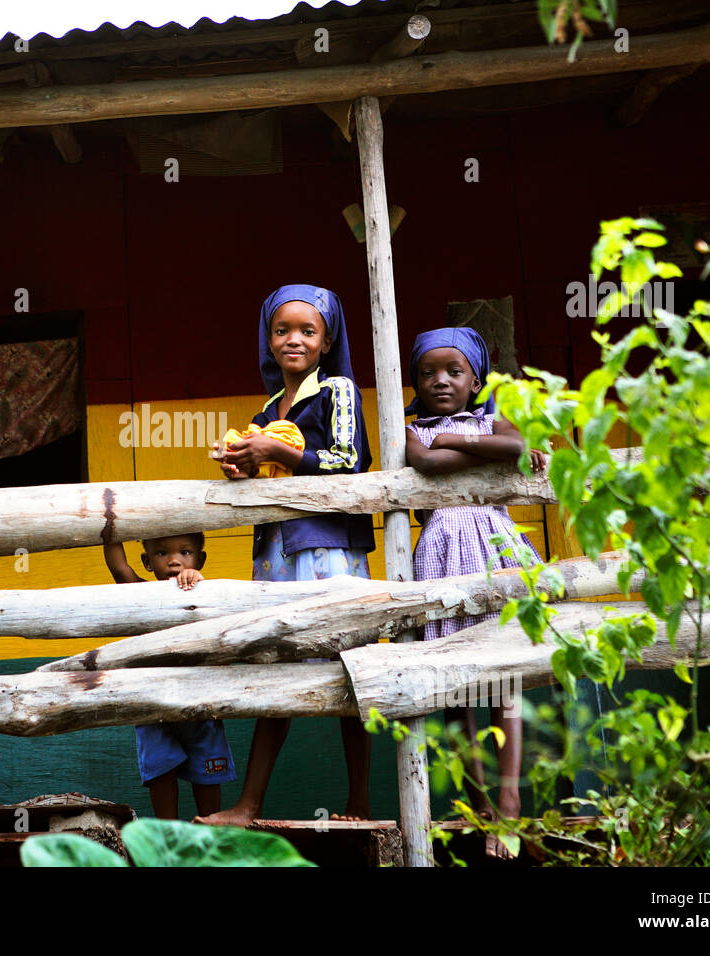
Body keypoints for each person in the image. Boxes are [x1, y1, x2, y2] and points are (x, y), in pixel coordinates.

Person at [197, 283, 375, 827]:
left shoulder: (339, 391)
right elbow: (272, 469)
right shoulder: (271, 407)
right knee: (278, 669)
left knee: (351, 669)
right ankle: (249, 807)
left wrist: (278, 450)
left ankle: (359, 803)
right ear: (268, 340)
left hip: (328, 549)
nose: (293, 340)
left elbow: (348, 460)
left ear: (326, 341)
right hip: (276, 551)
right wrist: (244, 465)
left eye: (307, 331)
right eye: (281, 330)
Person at [403, 326, 546, 858]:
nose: (440, 381)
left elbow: (514, 444)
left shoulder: (491, 417)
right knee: (453, 683)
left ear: (476, 379)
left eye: (454, 371)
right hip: (440, 557)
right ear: (414, 381)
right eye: (427, 372)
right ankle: (477, 802)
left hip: (493, 552)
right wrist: (473, 451)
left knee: (503, 677)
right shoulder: (412, 429)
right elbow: (430, 465)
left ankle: (509, 803)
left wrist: (456, 438)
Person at [103, 532, 236, 818]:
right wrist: (110, 522)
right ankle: (168, 841)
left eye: (185, 553)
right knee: (161, 769)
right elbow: (118, 567)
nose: (175, 561)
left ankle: (209, 839)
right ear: (147, 562)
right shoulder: (141, 591)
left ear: (200, 559)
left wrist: (198, 585)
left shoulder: (208, 594)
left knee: (207, 772)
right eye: (162, 554)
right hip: (152, 704)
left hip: (201, 702)